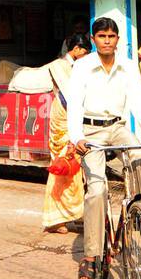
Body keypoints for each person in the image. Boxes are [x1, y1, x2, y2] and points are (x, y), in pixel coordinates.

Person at [67, 17, 141, 279]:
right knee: (96, 191)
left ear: (117, 39)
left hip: (118, 128)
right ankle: (92, 254)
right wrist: (77, 137)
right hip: (91, 133)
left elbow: (139, 100)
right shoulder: (83, 66)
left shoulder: (128, 66)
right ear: (94, 39)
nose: (107, 40)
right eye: (102, 36)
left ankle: (136, 210)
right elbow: (74, 103)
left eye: (111, 36)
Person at [42, 33, 90, 234]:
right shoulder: (58, 66)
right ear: (76, 49)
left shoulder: (80, 67)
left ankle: (77, 214)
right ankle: (55, 218)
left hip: (76, 117)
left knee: (79, 168)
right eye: (84, 52)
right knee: (63, 166)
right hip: (63, 118)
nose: (85, 56)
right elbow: (71, 96)